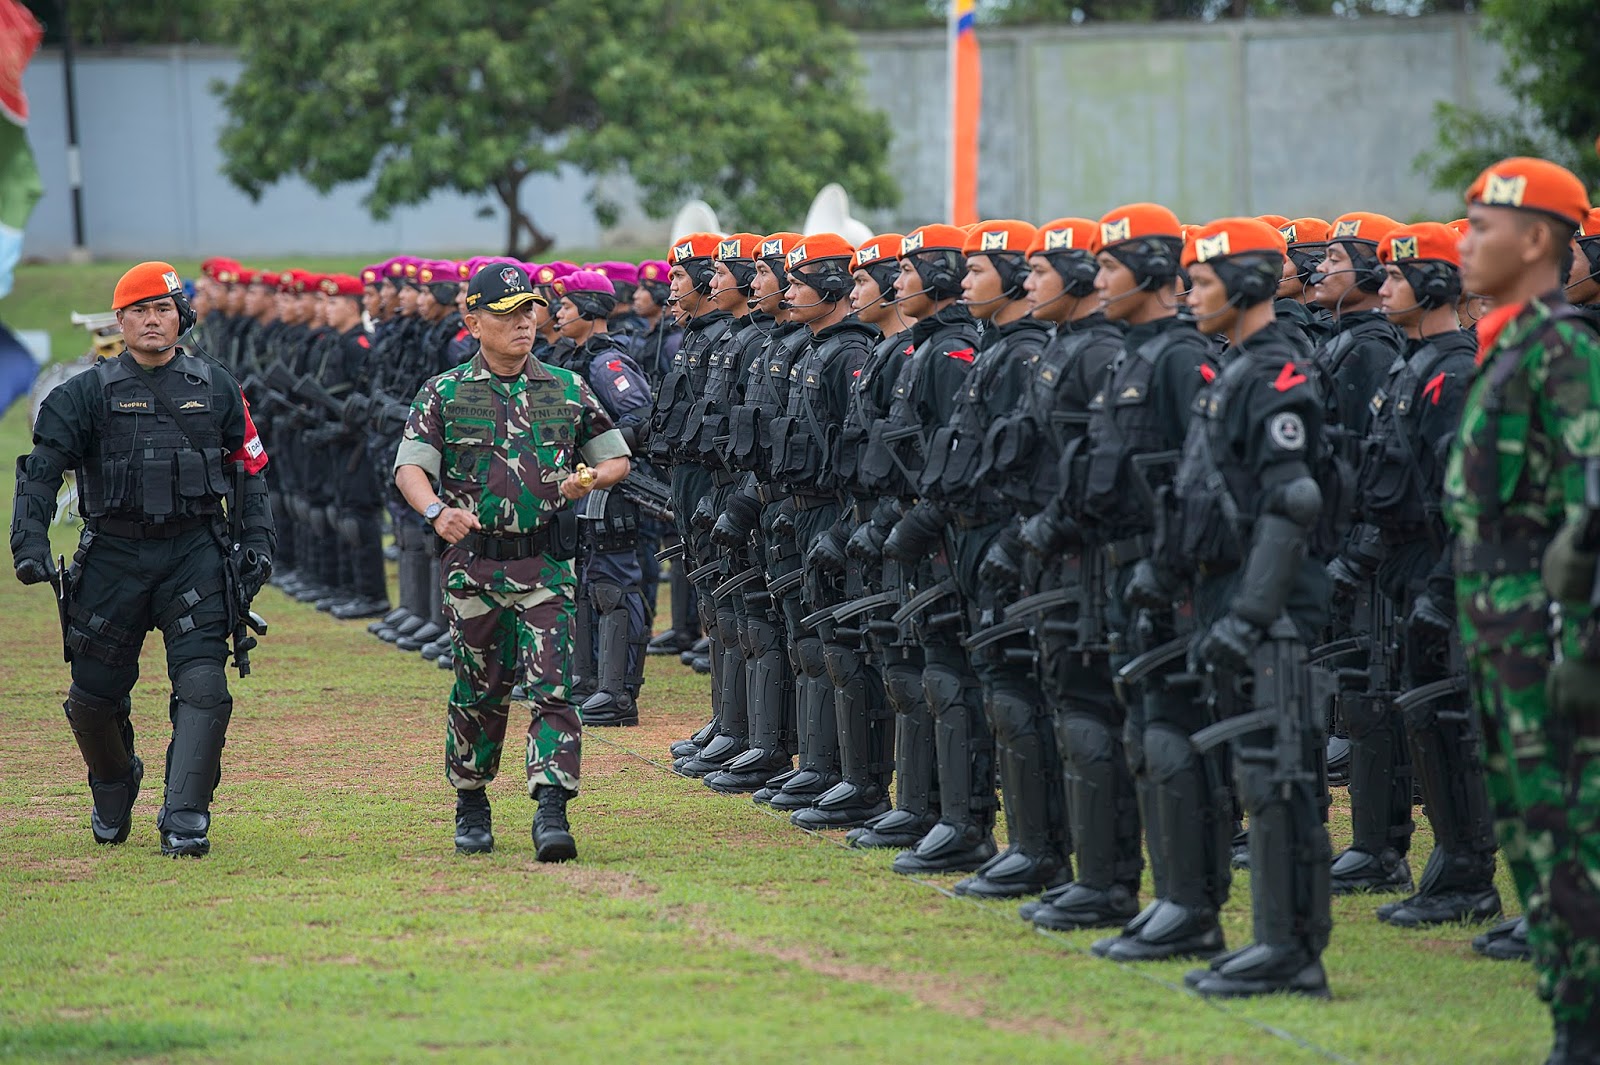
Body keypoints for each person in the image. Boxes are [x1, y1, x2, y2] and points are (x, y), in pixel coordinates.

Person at [10, 261, 274, 857]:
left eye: (162, 309)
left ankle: (185, 815)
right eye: (138, 311)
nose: (151, 321)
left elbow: (251, 472)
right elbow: (41, 474)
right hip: (112, 557)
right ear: (120, 320)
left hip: (195, 556)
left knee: (205, 688)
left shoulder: (218, 386)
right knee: (92, 696)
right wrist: (28, 543)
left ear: (182, 316)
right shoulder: (80, 394)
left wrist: (257, 544)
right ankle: (113, 779)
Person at [393, 263, 631, 861]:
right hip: (474, 567)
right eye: (507, 314)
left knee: (554, 687)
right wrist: (435, 513)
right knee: (480, 690)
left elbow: (616, 459)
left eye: (530, 310)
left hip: (546, 565)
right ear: (474, 322)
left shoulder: (567, 388)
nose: (524, 322)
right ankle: (472, 800)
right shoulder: (444, 392)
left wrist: (591, 478)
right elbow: (410, 467)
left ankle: (551, 808)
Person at [1444, 157, 1600, 1062]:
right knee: (1529, 840)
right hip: (1498, 638)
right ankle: (1565, 1020)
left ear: (1536, 238)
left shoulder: (1564, 351)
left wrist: (1583, 651)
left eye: (1481, 228)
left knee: (1570, 839)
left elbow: (1593, 515)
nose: (1464, 243)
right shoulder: (1505, 346)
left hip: (1549, 645)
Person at [1162, 218, 1336, 998]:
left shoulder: (1276, 373)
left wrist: (1249, 614)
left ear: (1248, 285)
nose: (1188, 292)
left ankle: (1293, 951)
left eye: (1200, 281)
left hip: (1270, 612)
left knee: (1280, 777)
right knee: (1256, 772)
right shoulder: (1234, 367)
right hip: (1227, 595)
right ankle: (1270, 939)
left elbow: (1292, 501)